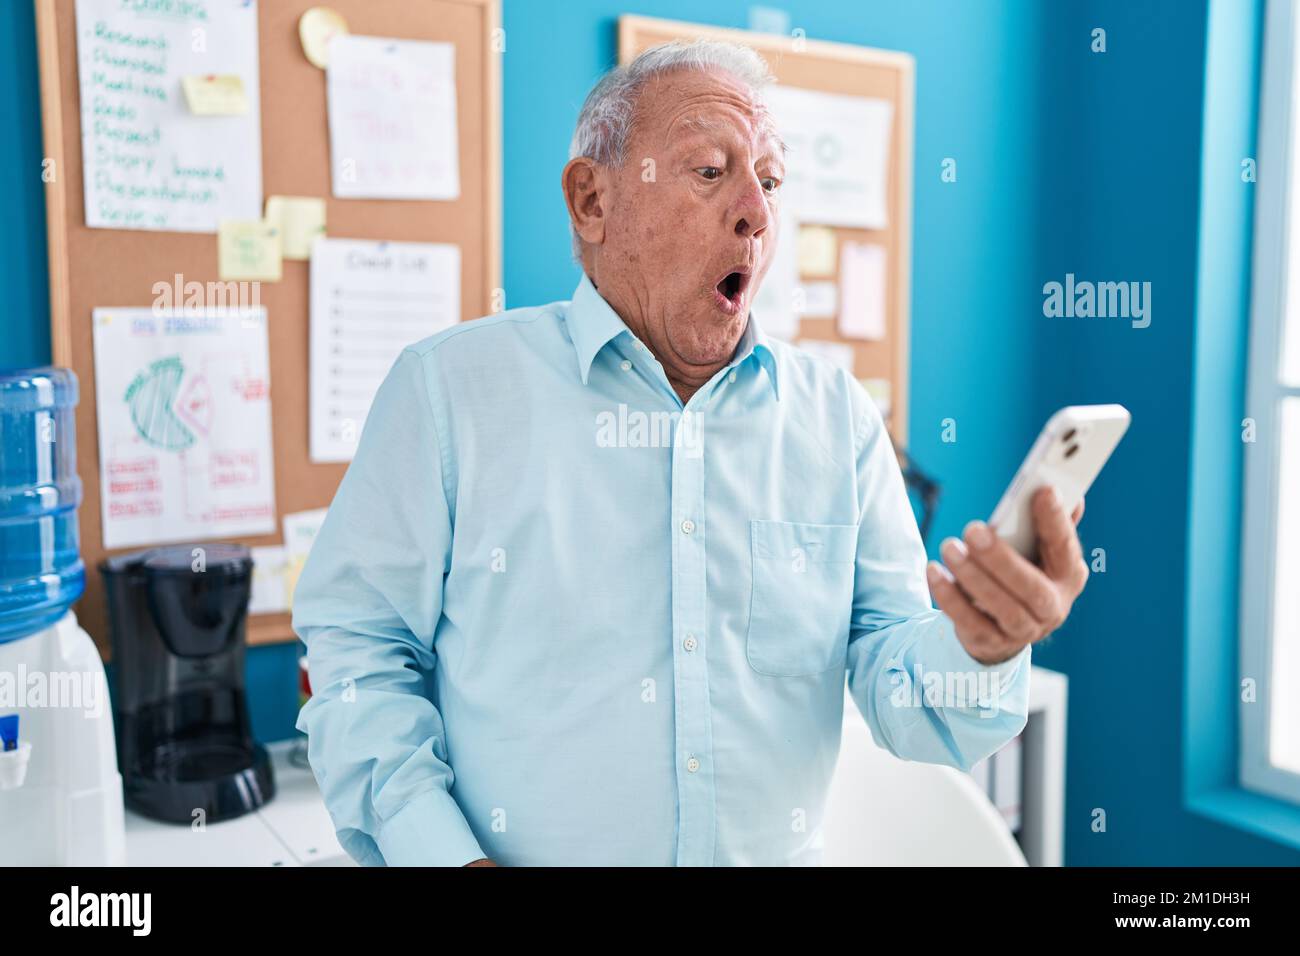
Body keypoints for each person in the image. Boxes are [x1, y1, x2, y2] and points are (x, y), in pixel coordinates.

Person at [293, 38, 1090, 866]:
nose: (756, 209)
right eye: (711, 171)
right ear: (592, 201)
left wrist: (982, 647)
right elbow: (359, 654)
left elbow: (899, 685)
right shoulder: (448, 392)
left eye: (772, 181)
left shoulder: (838, 418)